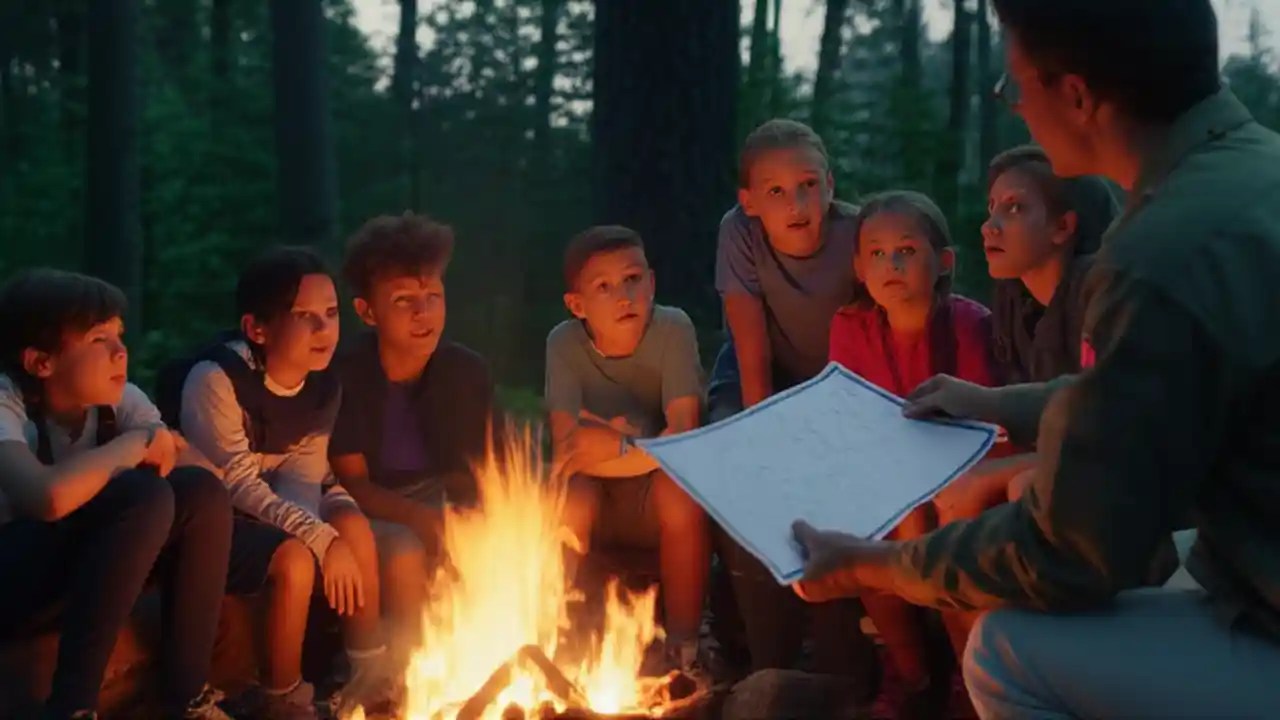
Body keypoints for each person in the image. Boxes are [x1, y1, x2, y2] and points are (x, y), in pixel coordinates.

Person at [791, 1, 1280, 717]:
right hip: (1251, 569)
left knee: (1005, 651)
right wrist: (994, 403)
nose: (1013, 107)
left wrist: (878, 566)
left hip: (1263, 611)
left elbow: (1071, 549)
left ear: (1077, 97)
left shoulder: (1158, 257)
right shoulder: (1252, 172)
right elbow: (1146, 396)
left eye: (1015, 86)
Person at [173, 248, 419, 717]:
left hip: (285, 492)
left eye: (330, 313)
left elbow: (303, 476)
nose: (324, 329)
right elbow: (236, 483)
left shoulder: (324, 385)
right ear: (257, 329)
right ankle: (284, 696)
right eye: (304, 316)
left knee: (357, 531)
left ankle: (367, 674)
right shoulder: (216, 380)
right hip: (221, 507)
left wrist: (327, 533)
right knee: (301, 558)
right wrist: (316, 539)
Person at [0, 269, 233, 720]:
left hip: (72, 567)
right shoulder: (7, 404)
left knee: (197, 493)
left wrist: (164, 445)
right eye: (98, 339)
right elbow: (45, 498)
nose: (120, 351)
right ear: (40, 363)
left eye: (119, 335)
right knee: (141, 494)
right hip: (11, 577)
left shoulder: (120, 398)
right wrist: (136, 444)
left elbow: (204, 476)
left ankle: (185, 698)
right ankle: (73, 708)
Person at [707, 118, 877, 688]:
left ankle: (840, 654)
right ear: (749, 201)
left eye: (807, 184)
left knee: (834, 476)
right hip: (759, 378)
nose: (796, 202)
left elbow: (876, 340)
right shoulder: (739, 234)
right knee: (741, 469)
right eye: (775, 191)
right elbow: (750, 352)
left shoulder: (859, 236)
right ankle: (764, 657)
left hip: (837, 380)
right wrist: (767, 439)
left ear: (830, 184)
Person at [827, 191, 998, 718]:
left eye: (906, 250)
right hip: (882, 474)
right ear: (858, 267)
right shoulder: (850, 328)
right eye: (876, 254)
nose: (891, 264)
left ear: (943, 262)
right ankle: (909, 671)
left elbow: (985, 427)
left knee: (943, 534)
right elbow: (846, 416)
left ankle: (969, 678)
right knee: (871, 525)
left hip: (959, 473)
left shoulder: (969, 325)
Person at [546, 225, 710, 675]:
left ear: (652, 283)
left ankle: (684, 643)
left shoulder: (673, 329)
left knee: (681, 491)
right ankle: (560, 632)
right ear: (577, 305)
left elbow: (687, 438)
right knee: (569, 499)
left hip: (653, 494)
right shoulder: (563, 344)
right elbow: (567, 448)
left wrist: (615, 442)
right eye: (604, 286)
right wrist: (650, 446)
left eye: (633, 280)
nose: (624, 296)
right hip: (595, 491)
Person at [929, 147, 1121, 527]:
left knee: (1024, 486)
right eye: (992, 208)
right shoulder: (1016, 301)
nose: (990, 226)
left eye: (1014, 208)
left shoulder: (1103, 296)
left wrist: (990, 472)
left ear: (1063, 227)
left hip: (1135, 473)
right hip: (1065, 458)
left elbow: (1110, 427)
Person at [328, 214, 497, 625]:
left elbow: (481, 472)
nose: (424, 313)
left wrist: (474, 519)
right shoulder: (344, 374)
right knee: (406, 547)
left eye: (433, 297)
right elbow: (355, 484)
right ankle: (402, 670)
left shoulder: (465, 371)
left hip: (438, 495)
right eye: (404, 300)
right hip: (361, 505)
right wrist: (428, 521)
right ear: (367, 312)